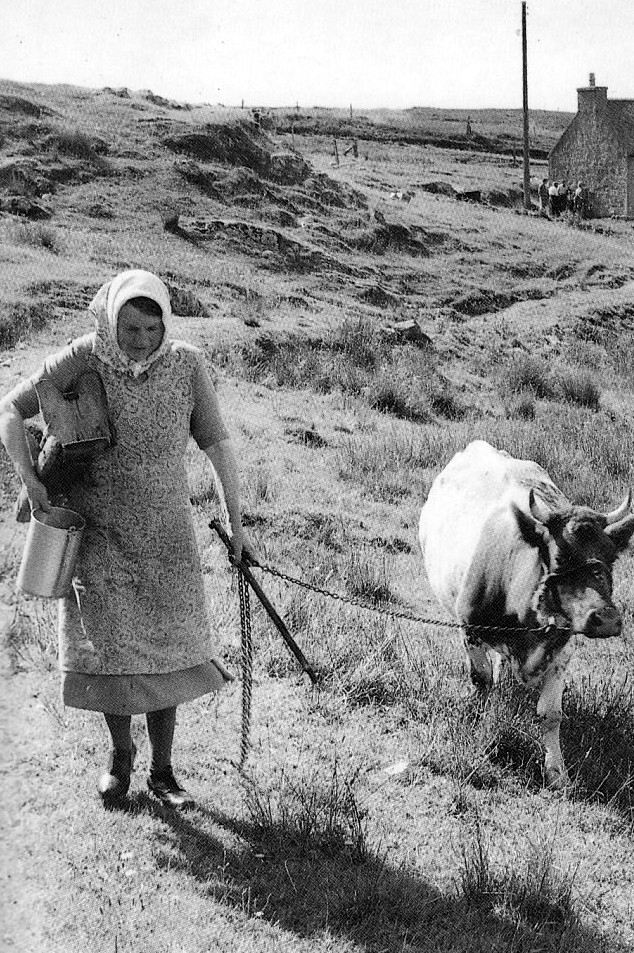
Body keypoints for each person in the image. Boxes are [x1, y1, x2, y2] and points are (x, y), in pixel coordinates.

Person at [0, 269, 255, 808]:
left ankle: (164, 773)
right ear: (110, 320)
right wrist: (31, 482)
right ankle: (120, 760)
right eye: (130, 328)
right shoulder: (84, 357)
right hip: (99, 537)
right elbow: (9, 409)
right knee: (111, 652)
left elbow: (217, 445)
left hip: (166, 539)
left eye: (152, 329)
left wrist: (237, 524)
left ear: (167, 325)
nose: (141, 340)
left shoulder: (187, 366)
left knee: (165, 652)